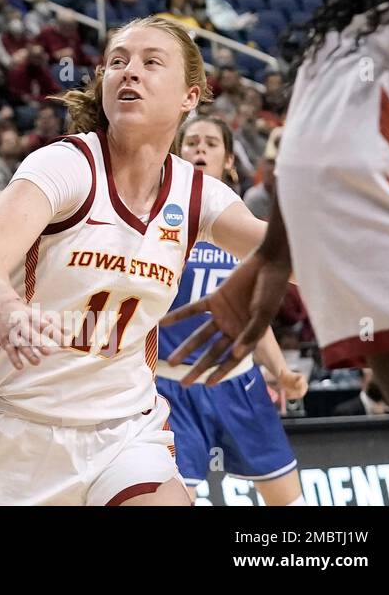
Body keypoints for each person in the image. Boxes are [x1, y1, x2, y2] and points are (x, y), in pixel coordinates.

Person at [165, 0, 389, 446]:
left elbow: (313, 160)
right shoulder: (356, 65)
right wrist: (280, 244)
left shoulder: (343, 57)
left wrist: (279, 247)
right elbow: (316, 161)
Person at [0, 16, 268, 506]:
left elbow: (276, 250)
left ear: (190, 96)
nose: (129, 72)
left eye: (150, 62)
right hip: (21, 426)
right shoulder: (65, 165)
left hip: (126, 429)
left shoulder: (195, 194)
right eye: (117, 62)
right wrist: (8, 309)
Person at [155, 116, 306, 505]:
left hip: (239, 383)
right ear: (177, 154)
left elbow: (253, 316)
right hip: (173, 387)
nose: (200, 149)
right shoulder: (157, 220)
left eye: (210, 143)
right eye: (191, 143)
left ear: (228, 161)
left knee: (288, 499)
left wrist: (280, 370)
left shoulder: (241, 225)